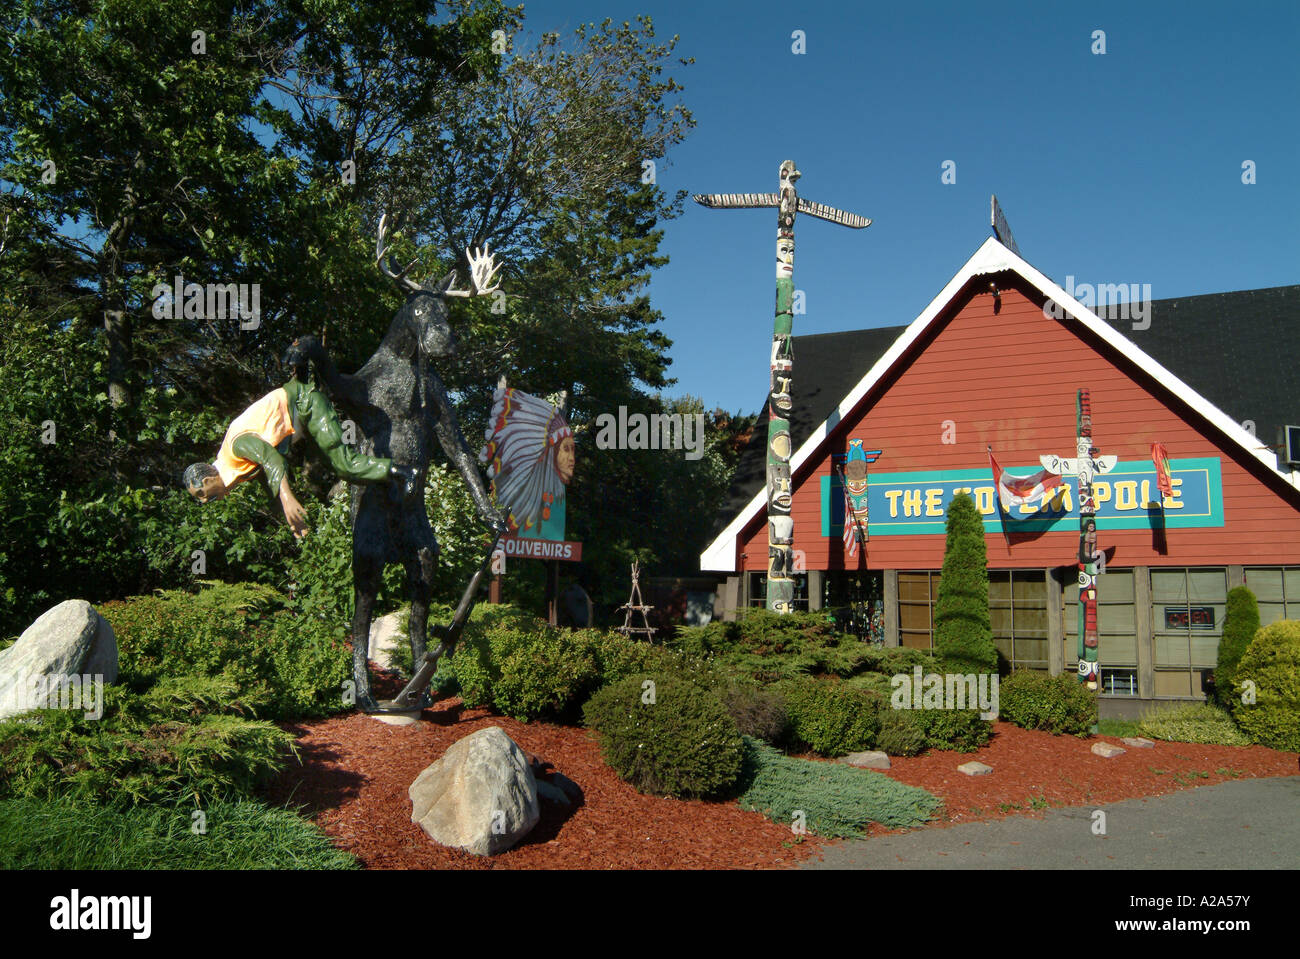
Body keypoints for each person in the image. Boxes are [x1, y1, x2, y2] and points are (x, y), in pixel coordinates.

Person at [183, 361, 417, 536]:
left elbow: (271, 459)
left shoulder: (236, 447)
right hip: (300, 423)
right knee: (334, 469)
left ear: (206, 481)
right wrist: (292, 518)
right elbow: (268, 479)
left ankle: (404, 473)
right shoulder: (233, 466)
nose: (205, 501)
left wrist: (287, 499)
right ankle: (387, 482)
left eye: (202, 495)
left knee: (344, 465)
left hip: (305, 404)